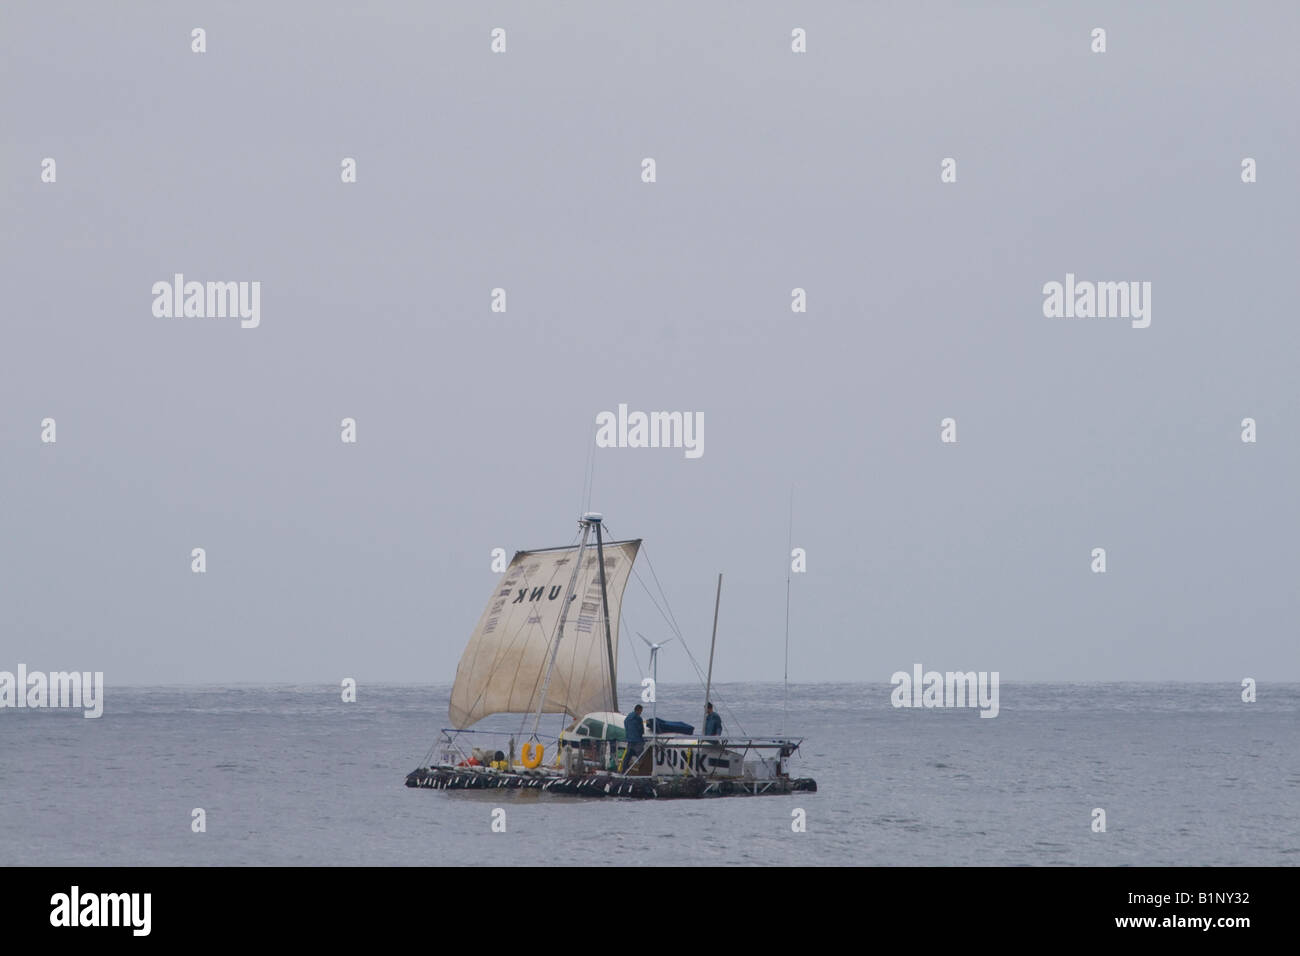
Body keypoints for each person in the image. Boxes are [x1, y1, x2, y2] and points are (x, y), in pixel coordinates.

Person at [622, 704, 645, 773]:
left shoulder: (628, 717)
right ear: (639, 710)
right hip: (637, 740)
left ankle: (624, 770)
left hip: (629, 739)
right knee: (641, 756)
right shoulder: (638, 718)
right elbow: (641, 730)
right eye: (641, 711)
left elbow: (625, 724)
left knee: (628, 756)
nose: (641, 713)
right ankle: (643, 771)